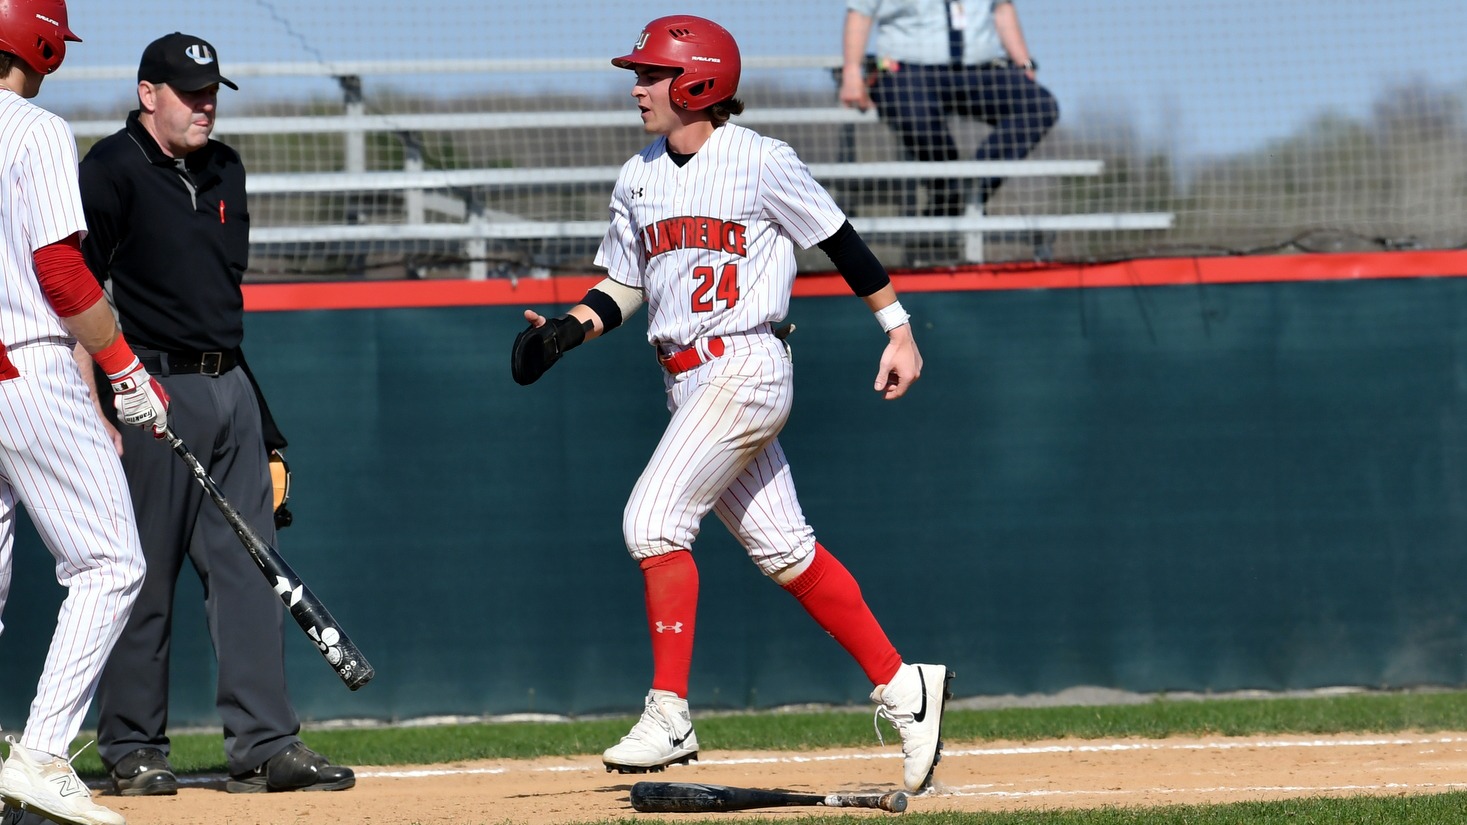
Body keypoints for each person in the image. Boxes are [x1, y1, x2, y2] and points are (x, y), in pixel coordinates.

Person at [509, 15, 952, 795]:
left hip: (745, 363)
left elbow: (840, 241)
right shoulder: (638, 175)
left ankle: (670, 710)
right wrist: (568, 332)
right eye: (639, 74)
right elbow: (622, 286)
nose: (638, 87)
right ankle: (903, 684)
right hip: (685, 379)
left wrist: (898, 329)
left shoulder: (760, 160)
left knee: (651, 521)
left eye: (651, 74)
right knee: (785, 551)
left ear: (698, 82)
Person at [76, 32, 354, 796]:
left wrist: (259, 419)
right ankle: (132, 746)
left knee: (248, 574)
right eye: (188, 92)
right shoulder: (107, 171)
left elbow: (220, 307)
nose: (204, 105)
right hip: (146, 390)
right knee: (142, 576)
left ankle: (267, 743)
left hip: (229, 386)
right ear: (147, 94)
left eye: (210, 92)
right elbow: (76, 292)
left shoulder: (226, 166)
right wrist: (97, 404)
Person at [0, 3, 171, 825]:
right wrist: (124, 367)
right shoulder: (33, 127)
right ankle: (38, 755)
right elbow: (62, 269)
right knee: (110, 563)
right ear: (38, 44)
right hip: (25, 366)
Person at [839, 0, 1059, 217]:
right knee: (915, 114)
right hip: (907, 68)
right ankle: (949, 193)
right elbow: (860, 12)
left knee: (1039, 107)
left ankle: (970, 187)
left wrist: (1023, 63)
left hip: (979, 69)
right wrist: (851, 73)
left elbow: (1002, 8)